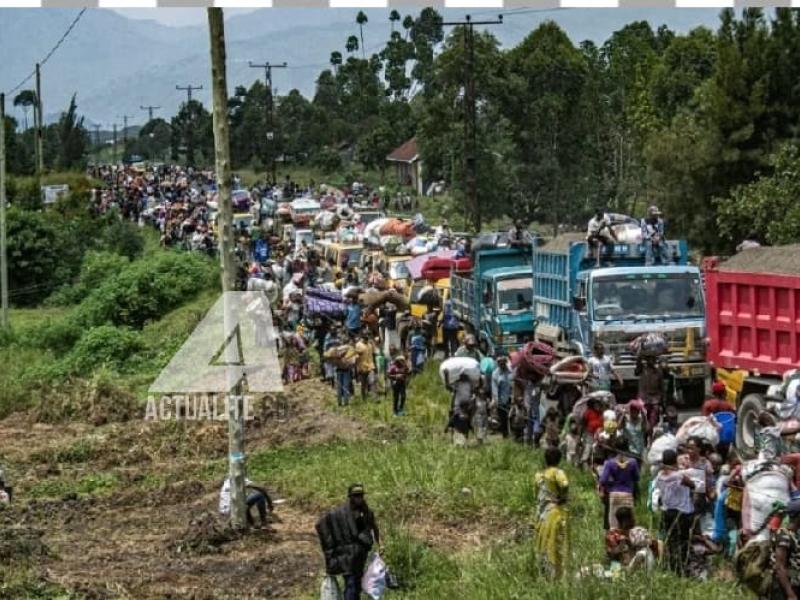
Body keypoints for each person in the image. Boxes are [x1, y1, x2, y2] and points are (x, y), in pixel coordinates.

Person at [315, 484, 382, 600]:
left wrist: (380, 544)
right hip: (346, 557)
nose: (359, 498)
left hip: (360, 556)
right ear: (350, 497)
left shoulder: (366, 512)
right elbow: (323, 526)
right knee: (351, 585)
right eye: (356, 496)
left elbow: (374, 527)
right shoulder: (340, 514)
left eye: (360, 496)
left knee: (356, 585)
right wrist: (331, 552)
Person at [655, 448, 695, 576]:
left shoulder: (659, 476)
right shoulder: (679, 476)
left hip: (666, 512)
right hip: (680, 514)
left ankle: (670, 566)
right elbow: (694, 485)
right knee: (682, 542)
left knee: (670, 540)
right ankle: (680, 569)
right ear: (675, 461)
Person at [534, 447, 570, 578]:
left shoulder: (539, 475)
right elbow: (565, 484)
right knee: (558, 542)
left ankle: (544, 572)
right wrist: (562, 498)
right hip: (556, 512)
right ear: (559, 460)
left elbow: (536, 496)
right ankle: (558, 574)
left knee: (543, 541)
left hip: (542, 513)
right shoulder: (557, 472)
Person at [599, 442, 640, 530]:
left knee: (613, 525)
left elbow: (603, 480)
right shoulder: (633, 462)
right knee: (629, 524)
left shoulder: (610, 463)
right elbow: (637, 478)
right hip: (628, 494)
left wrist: (606, 488)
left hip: (614, 494)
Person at [770, 499, 800, 600]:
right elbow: (779, 566)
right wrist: (790, 594)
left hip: (794, 585)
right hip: (782, 589)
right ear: (797, 516)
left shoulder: (794, 536)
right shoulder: (783, 535)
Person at [635, 355, 665, 436]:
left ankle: (650, 437)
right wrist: (640, 356)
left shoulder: (658, 372)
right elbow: (637, 369)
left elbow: (661, 387)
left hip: (655, 399)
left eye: (653, 359)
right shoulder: (642, 370)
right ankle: (644, 437)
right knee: (643, 419)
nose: (651, 361)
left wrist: (663, 402)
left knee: (653, 421)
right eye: (649, 360)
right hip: (643, 398)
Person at [325, 337, 357, 407]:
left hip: (338, 370)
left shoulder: (337, 349)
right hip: (346, 370)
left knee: (339, 387)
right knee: (345, 386)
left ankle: (339, 402)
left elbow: (328, 357)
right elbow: (353, 361)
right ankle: (345, 402)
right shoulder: (350, 349)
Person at [491, 356, 513, 438]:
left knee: (512, 418)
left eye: (503, 362)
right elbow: (494, 388)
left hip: (511, 399)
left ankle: (513, 435)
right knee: (503, 419)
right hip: (501, 400)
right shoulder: (495, 374)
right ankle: (505, 435)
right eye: (500, 363)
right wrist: (496, 400)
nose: (502, 364)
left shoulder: (511, 371)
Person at [354, 334, 376, 402]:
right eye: (365, 339)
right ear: (362, 338)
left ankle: (374, 398)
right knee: (363, 384)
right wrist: (357, 368)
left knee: (372, 382)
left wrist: (375, 366)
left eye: (367, 339)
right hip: (362, 367)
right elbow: (356, 358)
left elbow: (373, 355)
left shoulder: (370, 345)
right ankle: (364, 399)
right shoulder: (358, 345)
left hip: (370, 366)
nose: (366, 340)